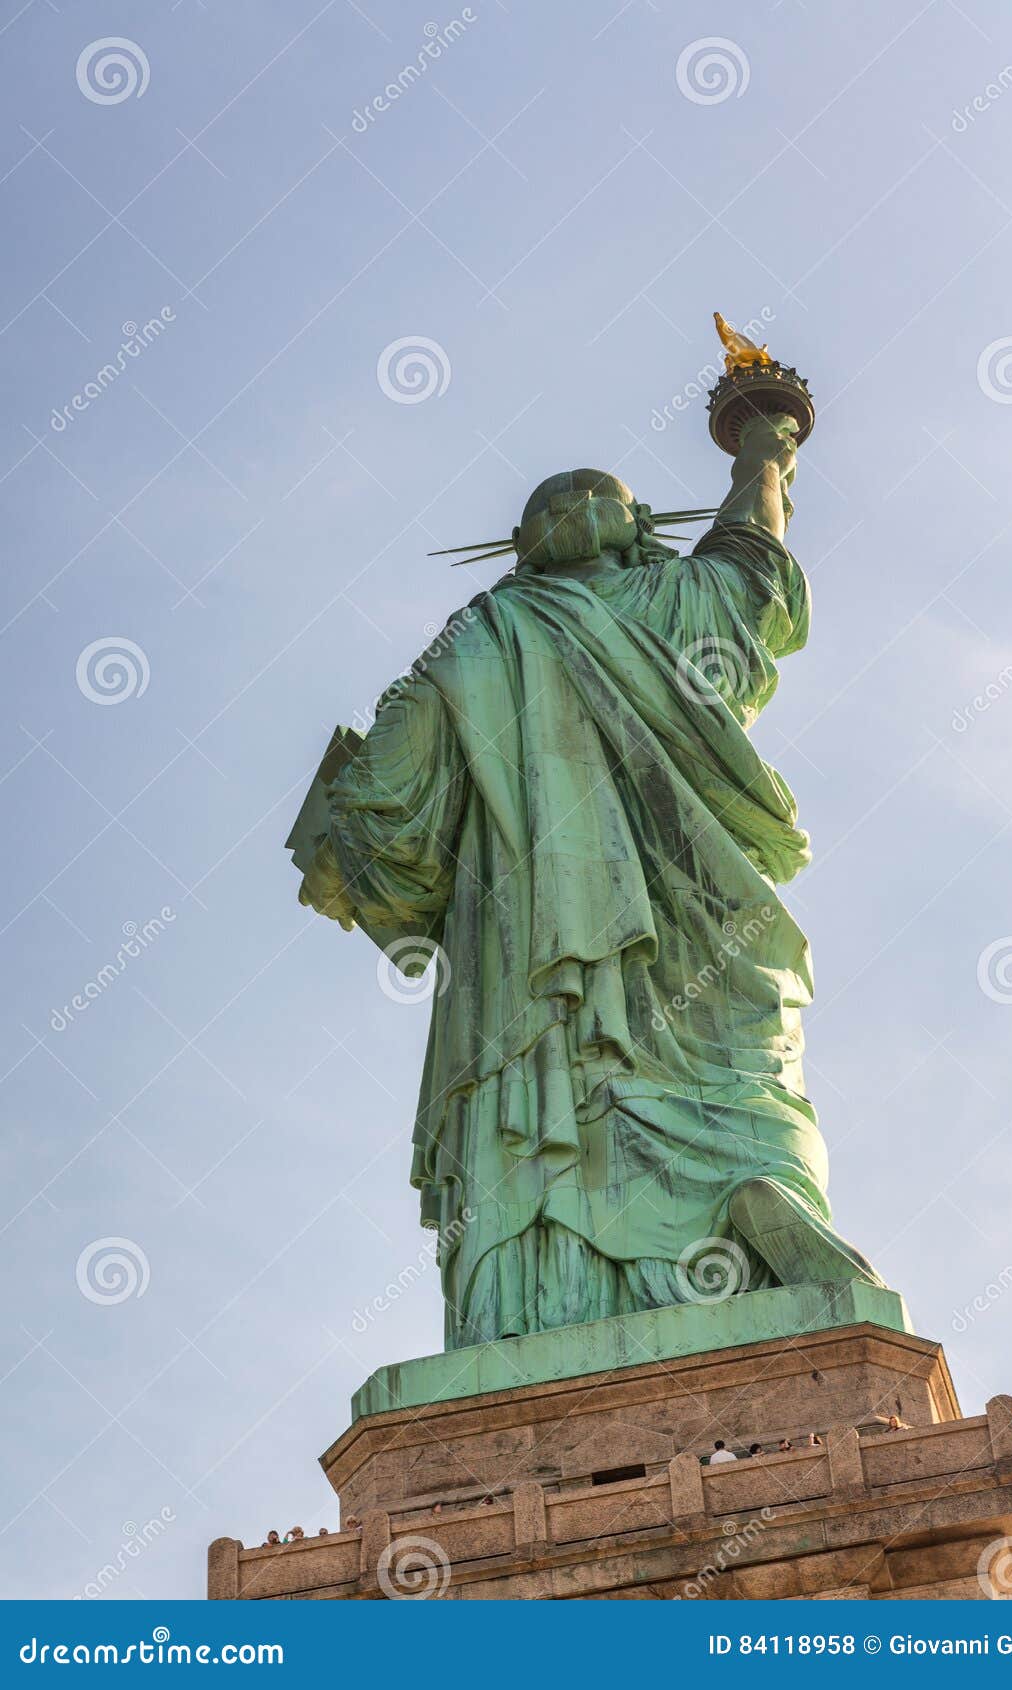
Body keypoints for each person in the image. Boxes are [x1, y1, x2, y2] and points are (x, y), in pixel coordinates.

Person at [297, 418, 886, 1350]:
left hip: (526, 961)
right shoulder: (675, 597)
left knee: (548, 1101)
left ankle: (535, 1304)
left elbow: (378, 810)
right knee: (741, 1083)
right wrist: (765, 453)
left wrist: (341, 809)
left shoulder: (481, 635)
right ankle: (742, 1208)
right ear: (631, 525)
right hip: (701, 919)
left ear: (527, 547)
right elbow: (754, 564)